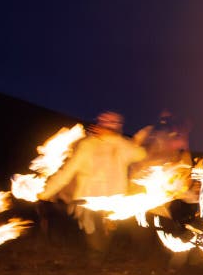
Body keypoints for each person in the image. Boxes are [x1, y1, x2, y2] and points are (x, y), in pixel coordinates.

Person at [39, 111, 146, 263]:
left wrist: (116, 138)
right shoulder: (87, 145)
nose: (106, 128)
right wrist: (46, 191)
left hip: (113, 201)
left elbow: (140, 154)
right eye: (104, 124)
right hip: (87, 200)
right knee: (94, 236)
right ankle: (95, 264)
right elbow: (68, 171)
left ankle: (98, 263)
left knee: (104, 236)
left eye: (111, 126)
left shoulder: (122, 145)